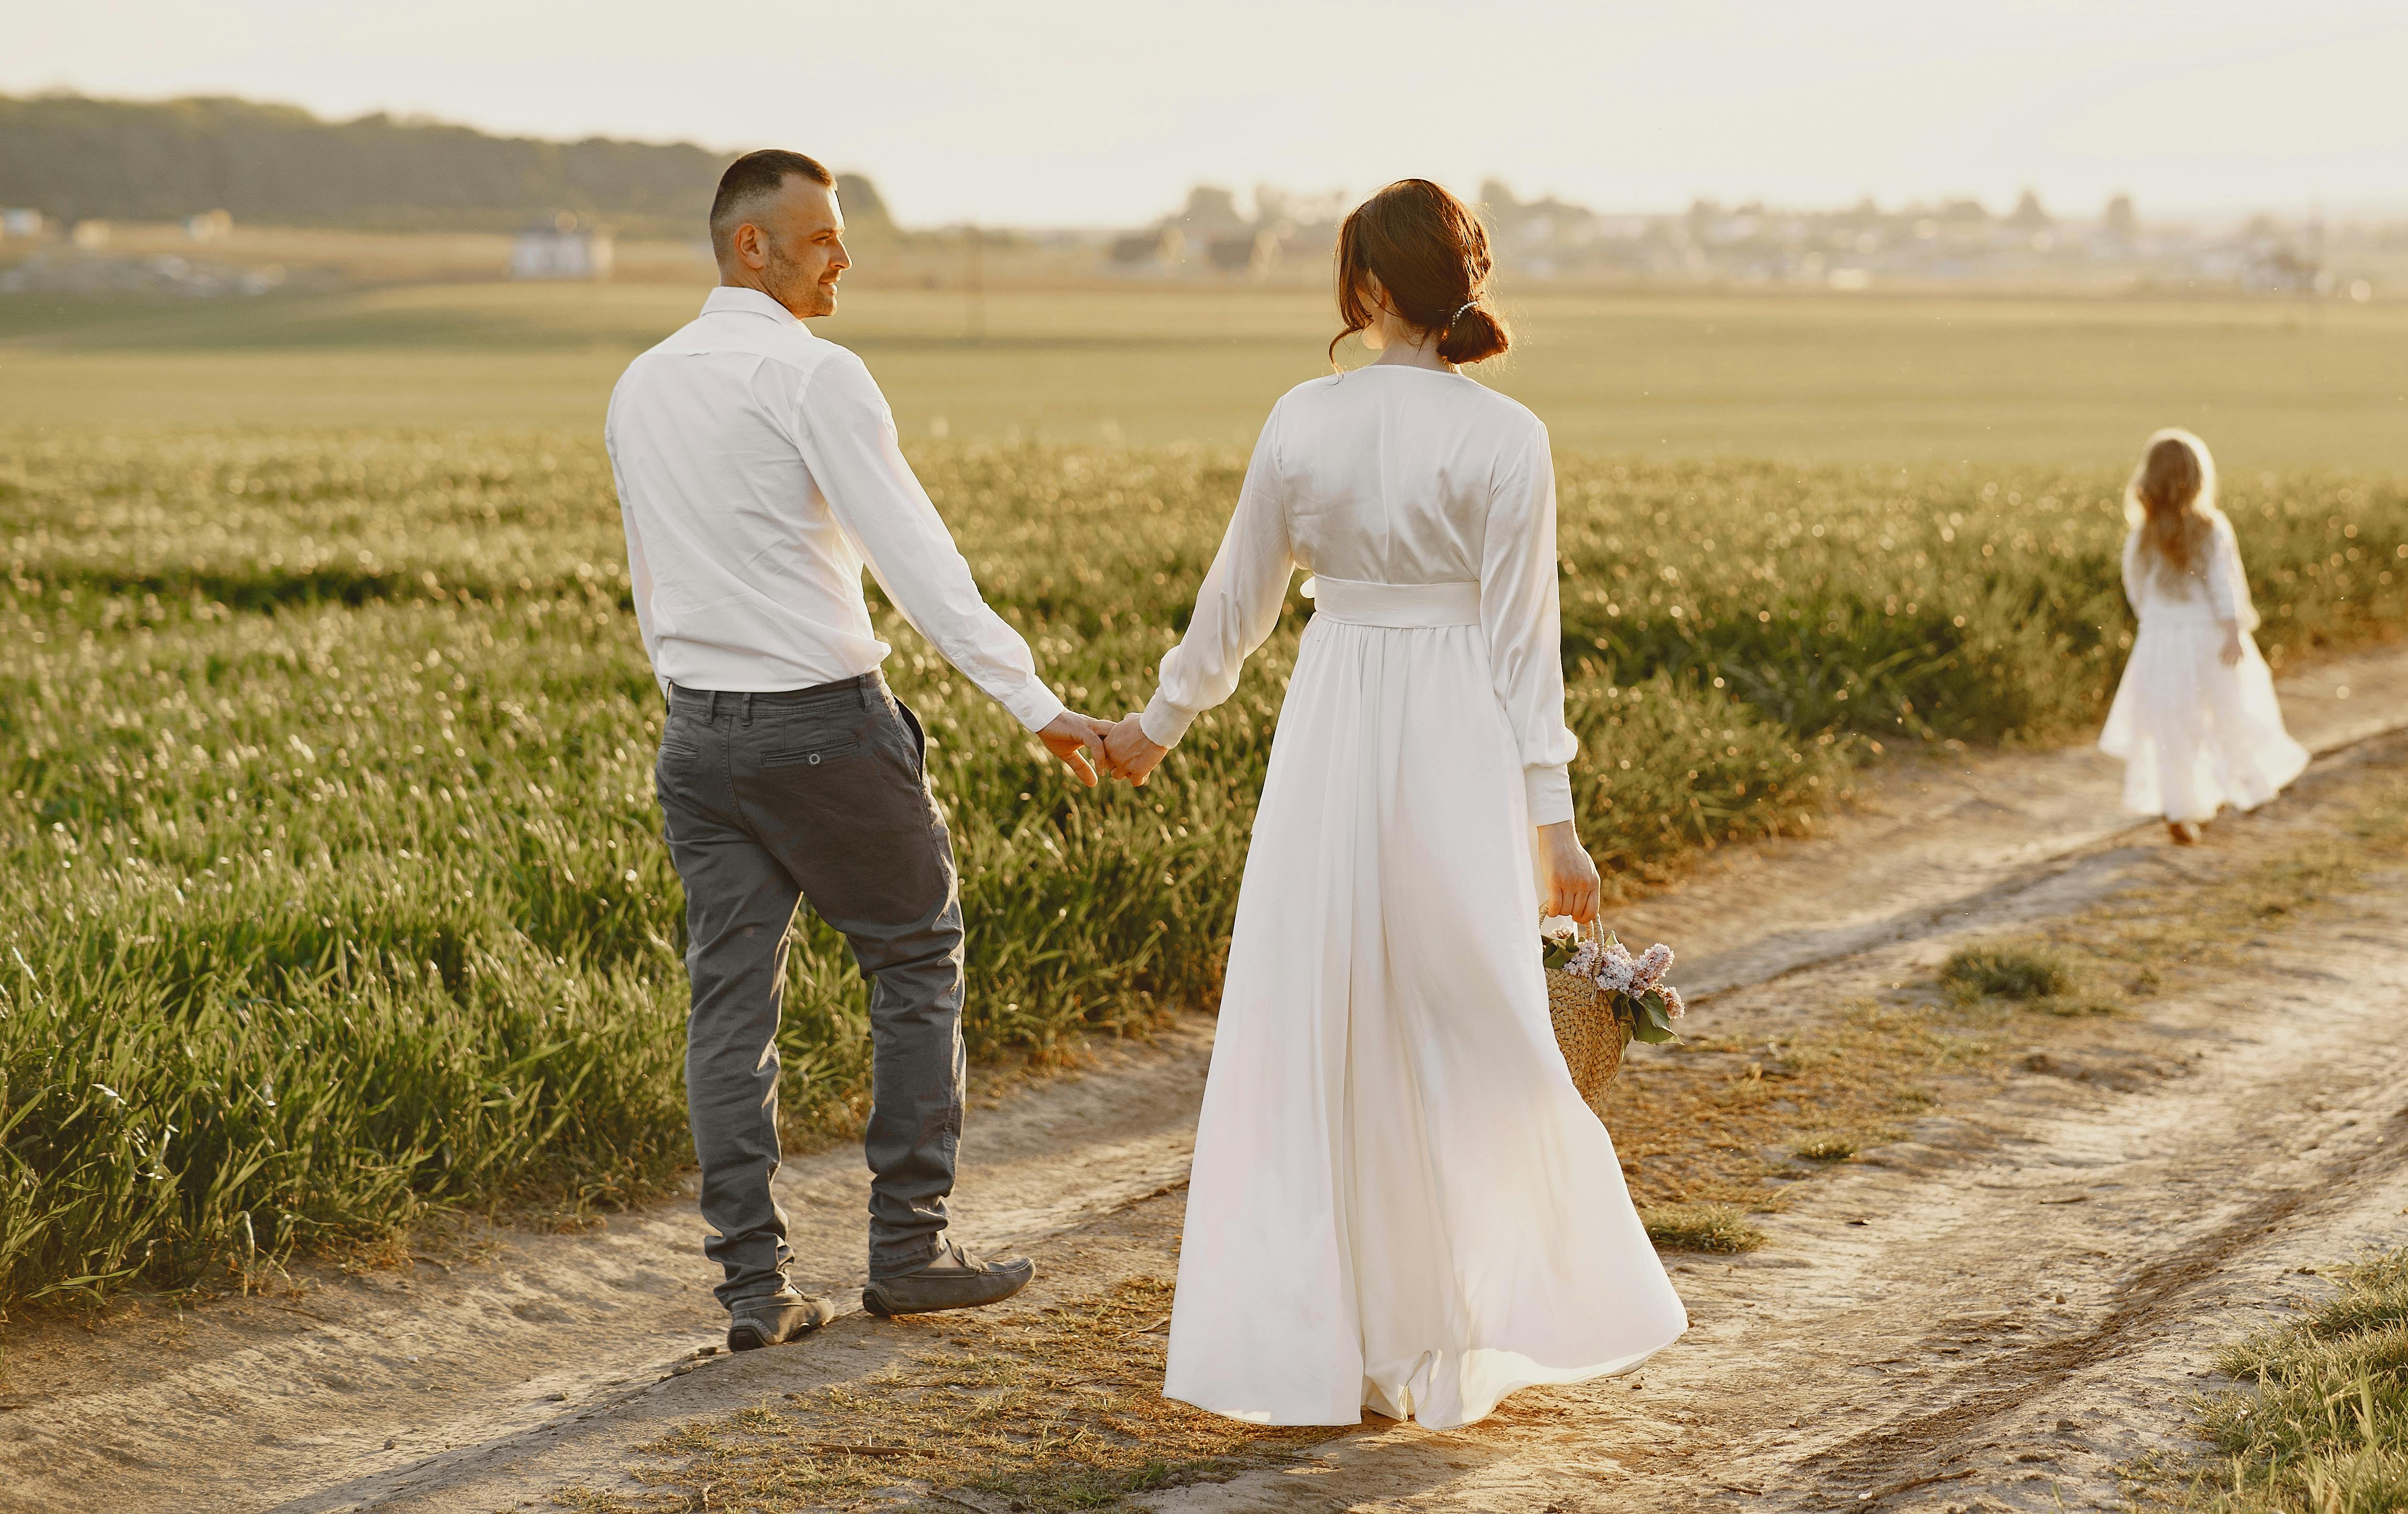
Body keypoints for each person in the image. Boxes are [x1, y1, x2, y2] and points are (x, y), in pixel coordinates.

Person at [1090, 178, 1686, 1428]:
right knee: (1465, 1006)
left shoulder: (1303, 419)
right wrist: (1557, 822)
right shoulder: (1506, 437)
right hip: (1458, 728)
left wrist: (1157, 724)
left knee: (1329, 1013)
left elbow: (1236, 601)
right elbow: (1529, 649)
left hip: (1335, 718)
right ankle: (1454, 1325)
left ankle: (1341, 1339)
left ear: (1363, 289)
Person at [604, 149, 1108, 1351]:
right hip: (825, 724)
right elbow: (918, 561)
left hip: (698, 733)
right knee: (916, 957)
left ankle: (753, 1289)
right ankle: (909, 1250)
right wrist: (1035, 703)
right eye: (821, 237)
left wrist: (688, 695)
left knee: (730, 1002)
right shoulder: (814, 375)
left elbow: (649, 572)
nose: (843, 257)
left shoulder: (642, 382)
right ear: (752, 248)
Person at [2095, 427, 2309, 844]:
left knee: (2171, 724)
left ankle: (2182, 807)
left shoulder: (2141, 535)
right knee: (2222, 715)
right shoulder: (2211, 529)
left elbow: (2135, 587)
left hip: (2159, 642)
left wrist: (2154, 623)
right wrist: (2233, 632)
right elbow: (2224, 584)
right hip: (2207, 640)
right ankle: (2223, 789)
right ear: (2196, 478)